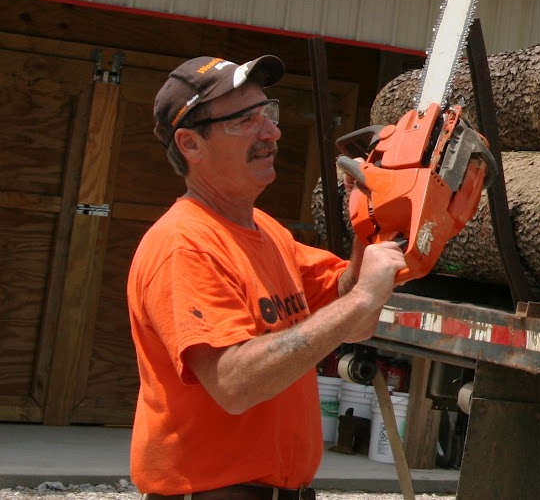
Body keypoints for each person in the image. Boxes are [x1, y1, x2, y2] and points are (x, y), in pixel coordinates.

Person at [128, 54, 406, 500]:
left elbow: (354, 313)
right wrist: (358, 301)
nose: (272, 132)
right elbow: (234, 384)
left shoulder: (267, 232)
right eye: (245, 120)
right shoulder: (185, 245)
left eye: (268, 113)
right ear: (190, 144)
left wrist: (366, 225)